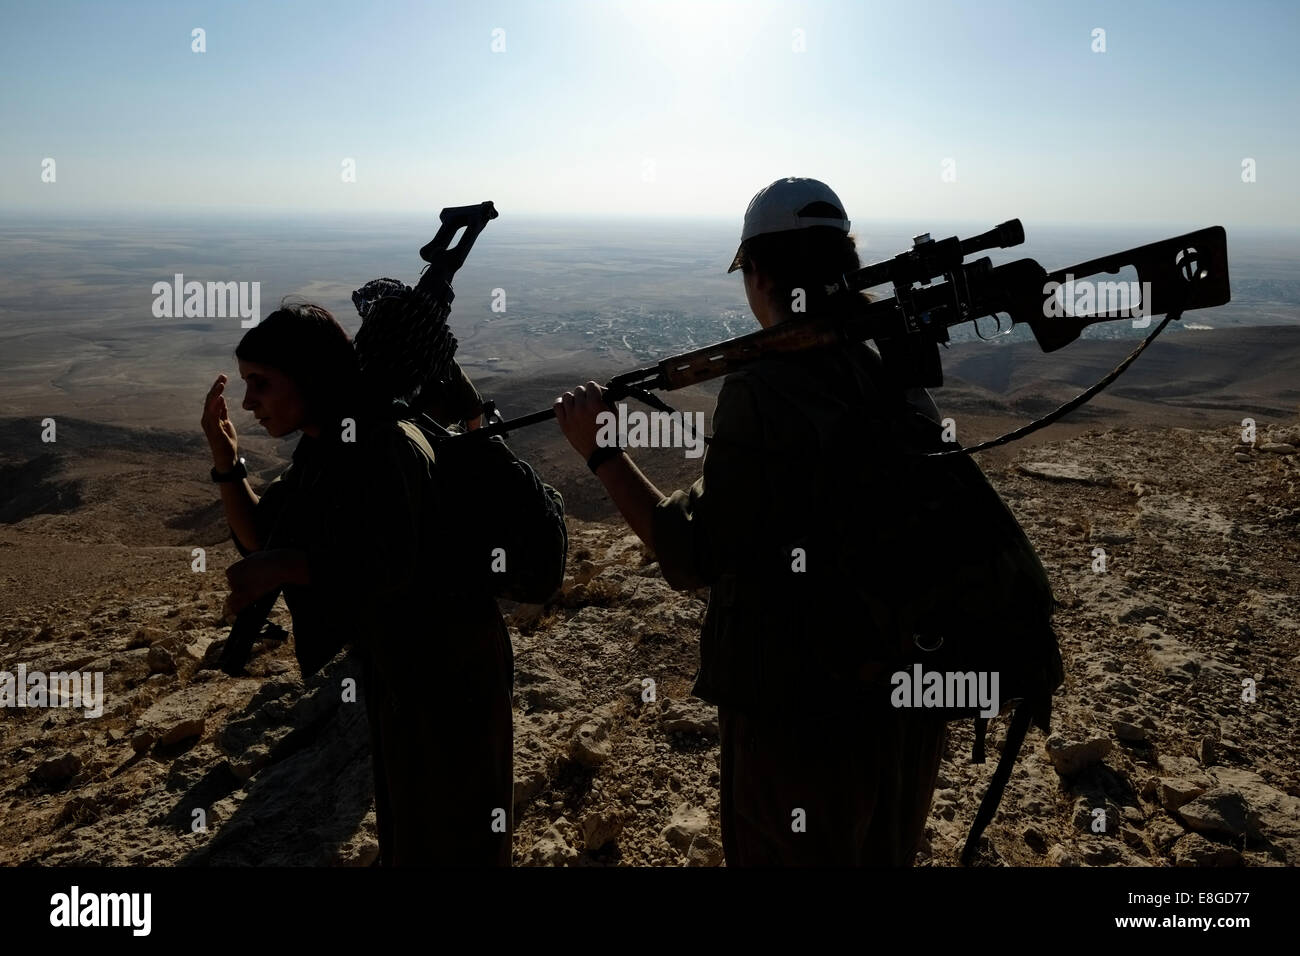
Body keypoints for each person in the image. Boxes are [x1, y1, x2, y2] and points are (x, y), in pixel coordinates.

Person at [554, 178, 948, 866]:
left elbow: (691, 553)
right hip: (905, 707)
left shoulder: (762, 386)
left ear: (760, 273)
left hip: (801, 719)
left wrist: (602, 454)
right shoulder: (889, 360)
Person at [200, 302, 513, 866]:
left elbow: (389, 563)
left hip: (452, 669)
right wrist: (228, 463)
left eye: (261, 383)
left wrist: (287, 567)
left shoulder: (380, 441)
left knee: (459, 837)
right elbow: (262, 536)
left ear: (310, 376)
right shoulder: (326, 446)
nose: (248, 402)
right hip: (401, 669)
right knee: (413, 832)